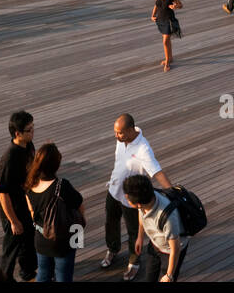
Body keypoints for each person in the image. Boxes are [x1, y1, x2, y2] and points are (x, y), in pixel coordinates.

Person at [102, 115, 174, 279]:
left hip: (131, 198)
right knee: (110, 222)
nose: (116, 136)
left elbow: (157, 172)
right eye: (115, 132)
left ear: (130, 130)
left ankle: (133, 262)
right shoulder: (121, 141)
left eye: (119, 133)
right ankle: (112, 249)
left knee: (133, 230)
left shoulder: (143, 149)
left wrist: (173, 193)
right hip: (114, 190)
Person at [25, 143, 85, 283]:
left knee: (43, 274)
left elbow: (32, 212)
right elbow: (80, 205)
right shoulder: (62, 185)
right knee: (63, 276)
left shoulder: (30, 185)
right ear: (56, 165)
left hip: (41, 238)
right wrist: (80, 224)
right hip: (64, 240)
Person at [123, 173, 189, 283]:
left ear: (138, 203)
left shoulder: (168, 218)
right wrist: (140, 237)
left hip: (169, 252)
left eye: (127, 196)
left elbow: (175, 249)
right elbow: (141, 214)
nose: (126, 197)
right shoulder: (147, 197)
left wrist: (169, 275)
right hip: (155, 245)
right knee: (149, 277)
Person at [0, 110, 36, 282]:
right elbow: (3, 194)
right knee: (11, 248)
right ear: (17, 133)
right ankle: (5, 277)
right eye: (29, 130)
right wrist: (13, 221)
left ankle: (27, 271)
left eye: (33, 128)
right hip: (13, 210)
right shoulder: (9, 159)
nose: (33, 132)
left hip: (26, 205)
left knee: (28, 241)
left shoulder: (29, 146)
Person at [151, 0, 183, 72]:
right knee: (167, 41)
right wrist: (152, 15)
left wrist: (175, 6)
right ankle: (170, 57)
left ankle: (167, 61)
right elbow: (156, 5)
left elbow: (180, 5)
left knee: (165, 41)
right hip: (160, 20)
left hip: (169, 20)